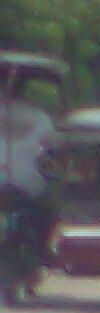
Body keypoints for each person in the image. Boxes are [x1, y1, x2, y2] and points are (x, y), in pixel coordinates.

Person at [0, 89, 57, 255]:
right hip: (28, 183)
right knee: (49, 205)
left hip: (22, 186)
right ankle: (43, 248)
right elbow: (54, 144)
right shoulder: (40, 117)